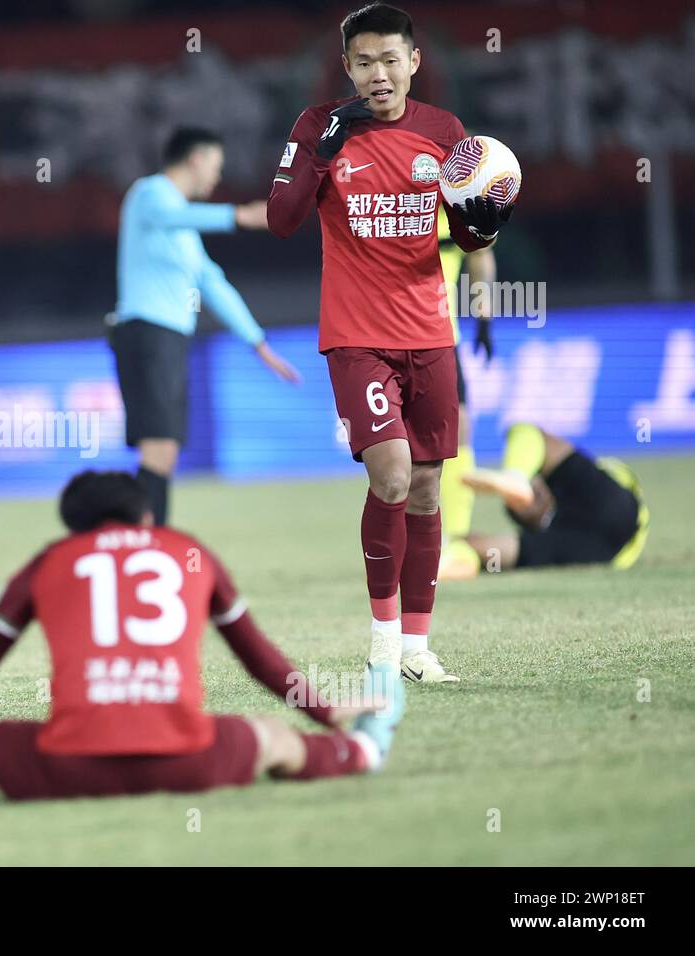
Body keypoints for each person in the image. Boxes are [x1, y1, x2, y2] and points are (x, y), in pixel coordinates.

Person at [0, 470, 404, 808]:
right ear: (147, 519)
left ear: (75, 529)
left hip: (68, 768)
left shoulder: (50, 561)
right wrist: (327, 712)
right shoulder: (189, 551)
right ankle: (362, 751)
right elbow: (260, 661)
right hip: (187, 762)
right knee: (273, 738)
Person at [266, 2, 512, 683]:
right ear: (347, 67)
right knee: (394, 474)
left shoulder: (445, 132)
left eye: (391, 59)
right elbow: (281, 220)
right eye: (365, 62)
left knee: (430, 491)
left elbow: (466, 236)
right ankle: (380, 639)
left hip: (431, 335)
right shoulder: (318, 126)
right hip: (355, 338)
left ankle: (415, 648)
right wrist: (322, 153)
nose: (380, 74)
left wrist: (484, 224)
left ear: (414, 62)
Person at [111, 126, 300, 526]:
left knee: (164, 449)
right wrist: (240, 216)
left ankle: (148, 537)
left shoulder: (184, 232)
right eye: (215, 166)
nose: (217, 178)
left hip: (168, 338)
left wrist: (258, 343)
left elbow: (213, 283)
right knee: (157, 446)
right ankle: (143, 540)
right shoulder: (149, 194)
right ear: (196, 159)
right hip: (146, 333)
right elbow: (171, 216)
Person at [457, 425, 649, 574]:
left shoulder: (544, 545)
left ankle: (515, 476)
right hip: (621, 526)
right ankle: (515, 475)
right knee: (525, 430)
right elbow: (533, 434)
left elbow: (491, 549)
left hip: (607, 546)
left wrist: (450, 543)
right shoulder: (546, 541)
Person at [435, 214, 498, 580]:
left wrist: (484, 317)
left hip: (443, 336)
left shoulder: (460, 198)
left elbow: (480, 254)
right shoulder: (398, 194)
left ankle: (454, 540)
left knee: (459, 430)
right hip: (389, 332)